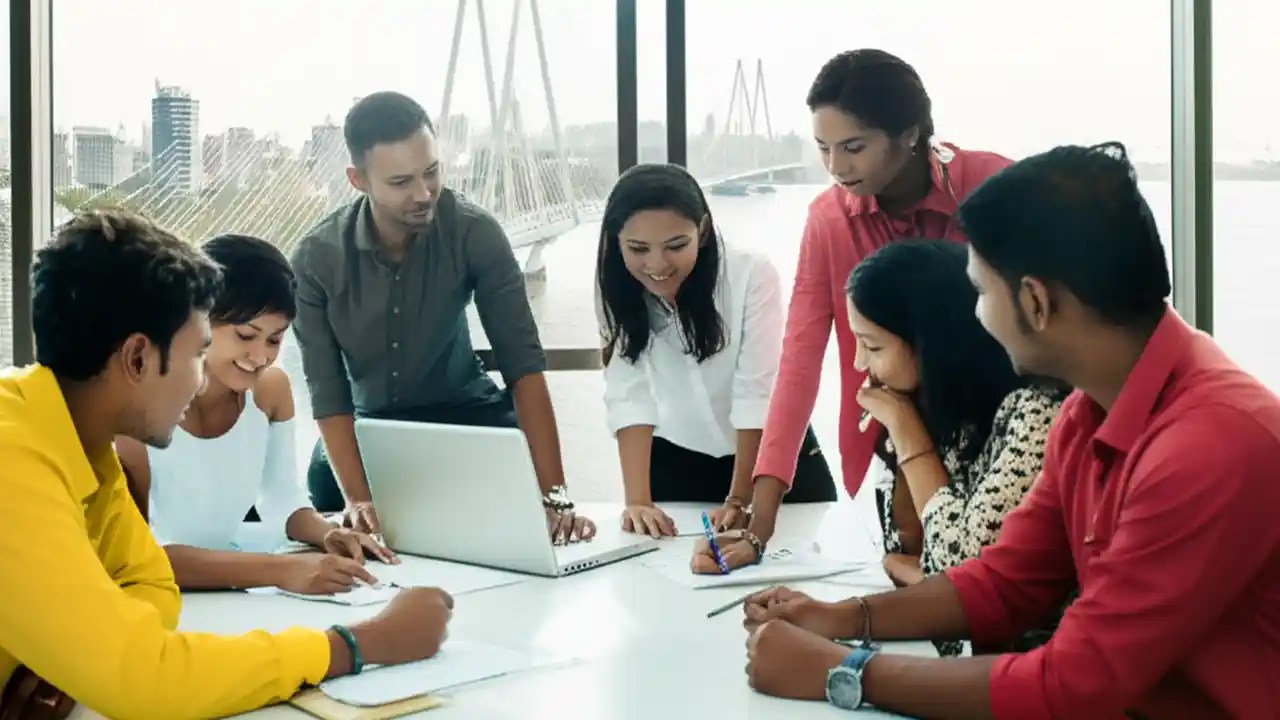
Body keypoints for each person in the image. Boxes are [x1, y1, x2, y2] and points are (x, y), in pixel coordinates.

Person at [737, 143, 1280, 719]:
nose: (972, 315)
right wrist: (837, 615)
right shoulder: (1087, 410)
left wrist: (841, 672)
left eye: (980, 292)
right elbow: (1003, 580)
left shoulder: (1208, 447)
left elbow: (1074, 684)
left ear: (1035, 302)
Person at [0, 209, 453, 719]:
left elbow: (152, 585)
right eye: (198, 354)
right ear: (136, 359)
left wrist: (74, 648)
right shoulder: (11, 461)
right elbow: (150, 679)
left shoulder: (86, 448)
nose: (199, 381)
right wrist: (356, 644)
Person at [719, 49, 1013, 568]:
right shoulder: (828, 221)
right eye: (822, 148)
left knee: (979, 584)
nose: (835, 167)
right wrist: (759, 522)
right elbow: (799, 361)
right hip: (886, 450)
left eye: (853, 147)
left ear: (910, 133)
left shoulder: (995, 189)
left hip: (996, 444)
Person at [291, 91, 594, 545]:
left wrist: (556, 499)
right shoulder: (316, 259)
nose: (423, 193)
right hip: (372, 426)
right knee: (329, 487)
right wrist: (359, 501)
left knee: (514, 473)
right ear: (358, 180)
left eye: (431, 172)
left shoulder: (475, 232)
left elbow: (523, 367)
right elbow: (327, 394)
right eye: (400, 182)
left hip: (467, 416)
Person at [116, 234, 397, 597]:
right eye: (246, 335)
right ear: (195, 320)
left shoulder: (270, 392)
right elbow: (137, 557)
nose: (260, 355)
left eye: (274, 340)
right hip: (157, 597)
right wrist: (279, 570)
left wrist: (326, 533)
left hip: (229, 591)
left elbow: (280, 496)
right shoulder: (138, 411)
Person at [597, 163, 837, 538]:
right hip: (679, 465)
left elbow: (756, 390)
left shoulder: (751, 275)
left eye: (676, 245)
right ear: (616, 240)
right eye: (638, 248)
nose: (657, 265)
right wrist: (638, 500)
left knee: (798, 580)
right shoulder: (615, 287)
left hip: (771, 464)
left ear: (703, 232)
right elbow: (629, 393)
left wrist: (740, 498)